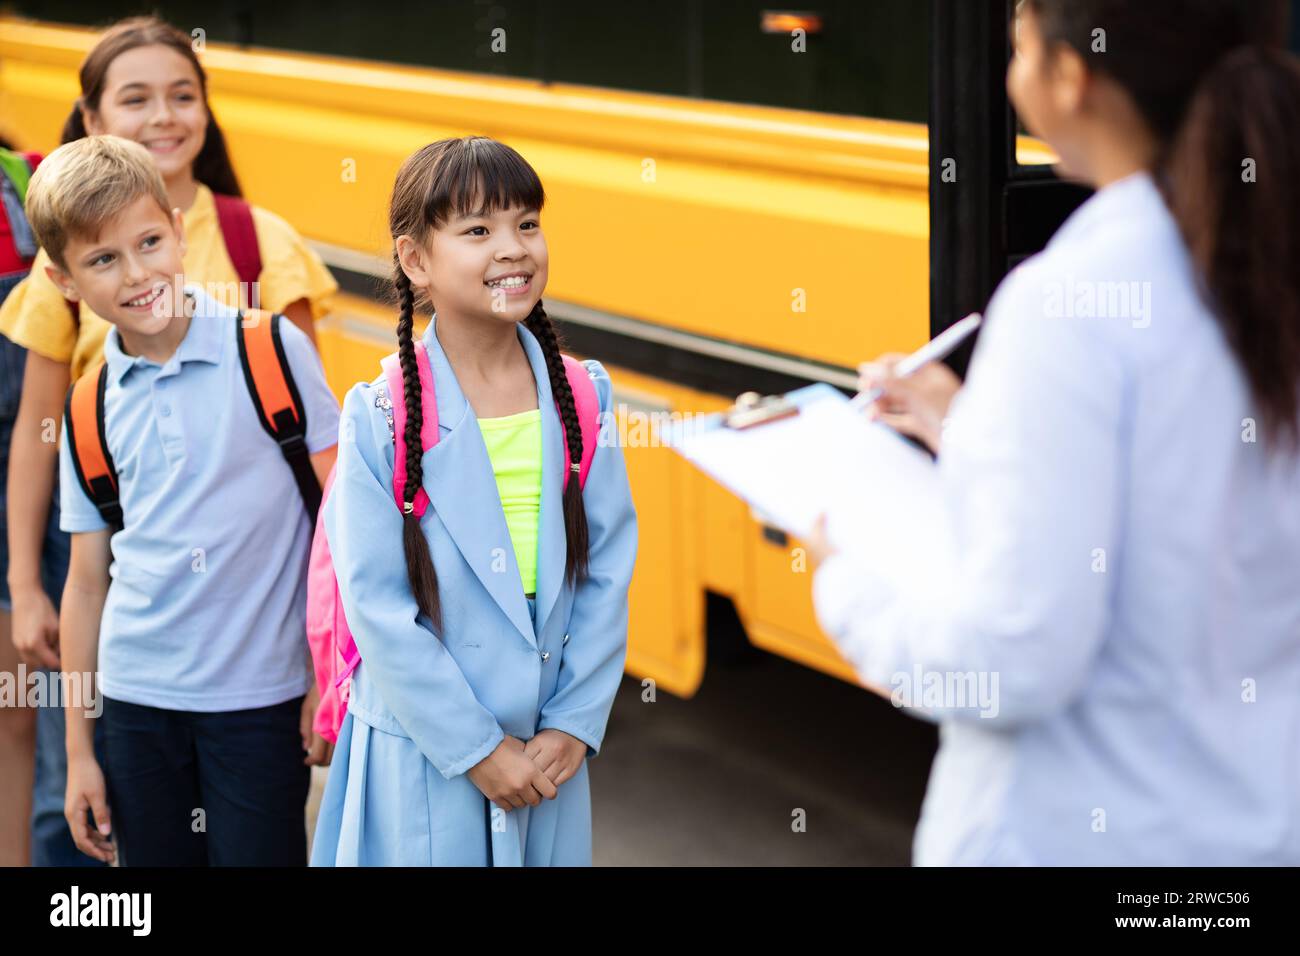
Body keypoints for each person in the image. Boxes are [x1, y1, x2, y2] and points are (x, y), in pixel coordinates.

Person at [809, 0, 1300, 864]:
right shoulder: (1258, 255)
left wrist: (847, 583)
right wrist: (968, 426)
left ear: (1070, 79)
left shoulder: (1069, 303)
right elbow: (1192, 508)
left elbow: (1010, 659)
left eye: (1018, 46)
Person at [2, 15, 336, 865]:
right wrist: (79, 748)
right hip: (132, 696)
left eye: (151, 243)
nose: (139, 272)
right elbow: (84, 581)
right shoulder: (87, 404)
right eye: (105, 260)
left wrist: (328, 672)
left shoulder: (269, 335)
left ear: (179, 235)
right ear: (65, 280)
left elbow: (337, 511)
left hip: (259, 690)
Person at [310, 137, 637, 866]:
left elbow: (607, 568)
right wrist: (476, 748)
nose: (513, 249)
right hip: (425, 746)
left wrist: (575, 722)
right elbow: (377, 605)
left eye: (527, 223)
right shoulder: (382, 417)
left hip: (545, 748)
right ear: (416, 259)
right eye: (478, 230)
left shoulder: (581, 395)